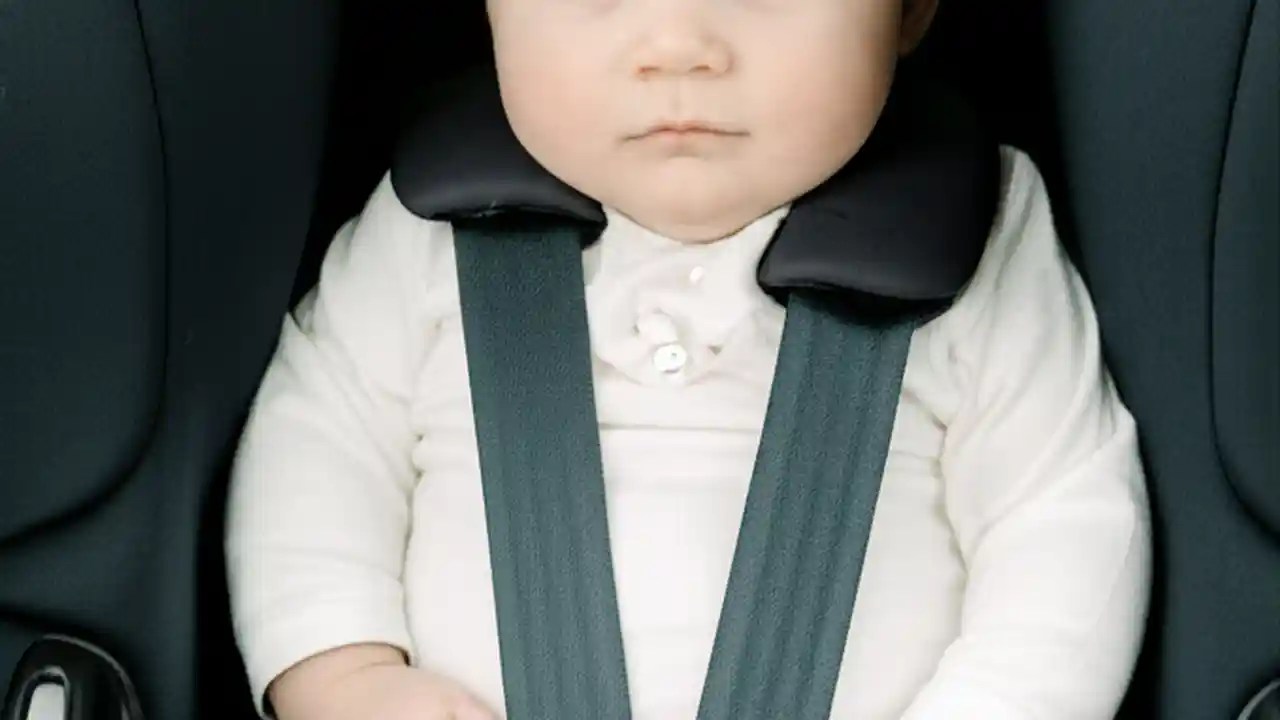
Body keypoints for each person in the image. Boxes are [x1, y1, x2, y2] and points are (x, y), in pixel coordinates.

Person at [225, 0, 1152, 717]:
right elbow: (322, 445)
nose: (678, 45)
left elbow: (1062, 517)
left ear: (909, 9)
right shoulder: (428, 228)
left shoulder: (978, 235)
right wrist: (342, 671)